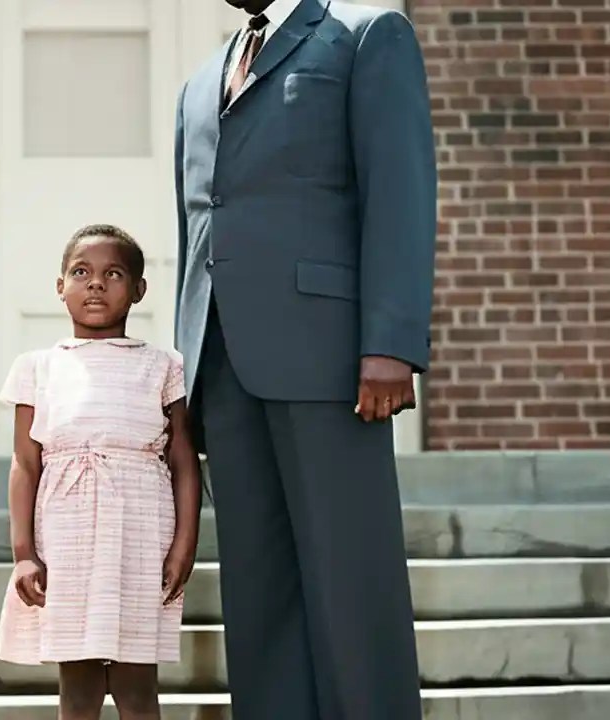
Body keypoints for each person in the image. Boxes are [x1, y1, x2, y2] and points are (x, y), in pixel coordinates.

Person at [173, 0, 437, 718]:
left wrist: (390, 343)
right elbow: (199, 226)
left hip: (329, 361)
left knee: (353, 587)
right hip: (223, 368)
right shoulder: (200, 82)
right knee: (258, 599)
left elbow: (400, 191)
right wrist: (183, 376)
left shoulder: (364, 35)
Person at [0, 223, 203, 720]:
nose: (95, 284)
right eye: (81, 272)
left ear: (138, 290)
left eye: (113, 274)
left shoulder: (163, 365)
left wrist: (185, 544)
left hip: (139, 535)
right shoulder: (37, 367)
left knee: (136, 684)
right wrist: (24, 553)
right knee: (79, 681)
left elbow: (183, 462)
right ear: (60, 286)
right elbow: (26, 464)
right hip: (67, 538)